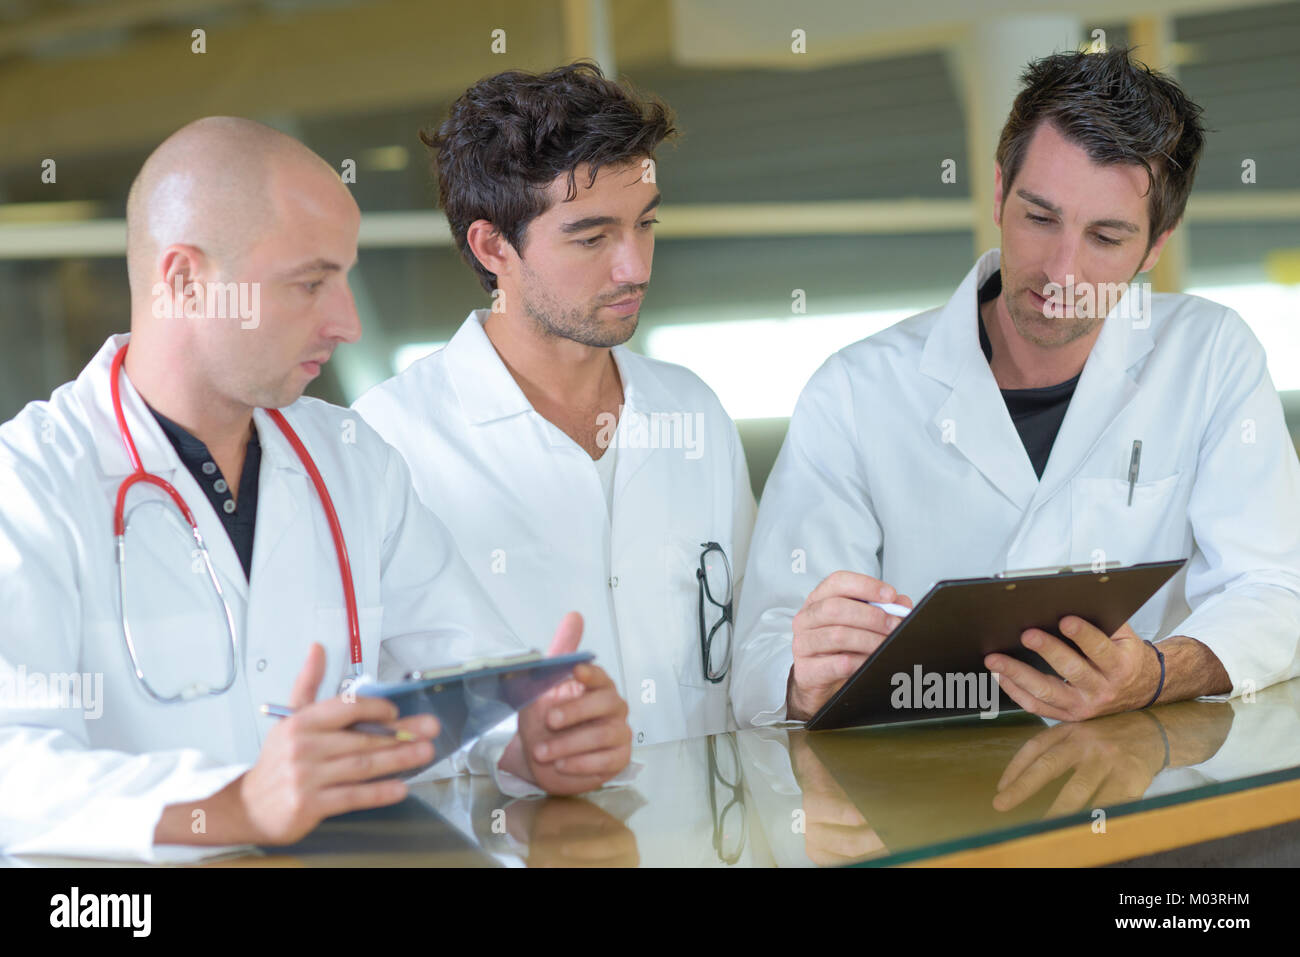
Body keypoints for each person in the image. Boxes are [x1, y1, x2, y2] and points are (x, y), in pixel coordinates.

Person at [0, 117, 632, 863]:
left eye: (345, 274)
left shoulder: (353, 461)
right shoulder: (29, 483)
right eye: (310, 282)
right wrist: (234, 804)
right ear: (183, 280)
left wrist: (531, 736)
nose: (349, 322)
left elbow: (463, 673)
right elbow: (15, 765)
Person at [732, 47, 1300, 728]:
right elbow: (765, 652)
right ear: (1000, 192)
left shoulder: (1208, 354)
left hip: (1143, 786)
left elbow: (1277, 588)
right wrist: (800, 678)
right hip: (924, 800)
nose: (1062, 269)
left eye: (1106, 237)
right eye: (1039, 217)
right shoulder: (854, 392)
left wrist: (1154, 672)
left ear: (1156, 245)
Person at [354, 62, 755, 747]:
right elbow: (376, 716)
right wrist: (511, 748)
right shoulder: (385, 442)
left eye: (646, 224)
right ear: (493, 246)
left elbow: (749, 650)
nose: (635, 267)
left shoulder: (693, 409)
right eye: (592, 237)